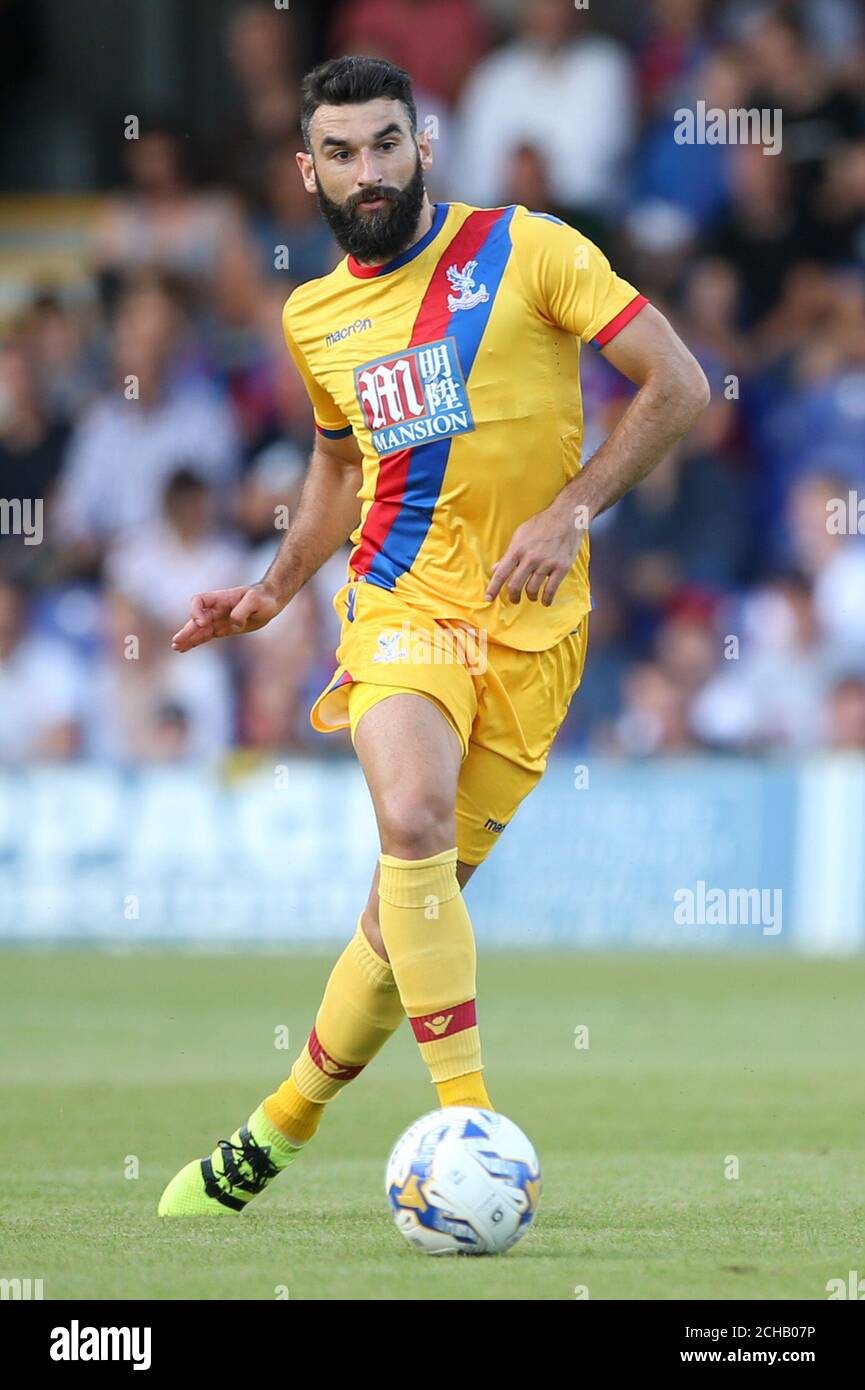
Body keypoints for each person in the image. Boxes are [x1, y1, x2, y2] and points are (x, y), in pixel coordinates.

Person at [157, 55, 709, 1216]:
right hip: (400, 608)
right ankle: (471, 1123)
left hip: (534, 635)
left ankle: (277, 1126)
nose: (369, 172)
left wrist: (571, 509)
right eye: (343, 153)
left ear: (425, 146)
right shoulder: (313, 319)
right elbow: (336, 465)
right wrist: (273, 587)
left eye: (387, 145)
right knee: (407, 815)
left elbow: (678, 383)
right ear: (308, 169)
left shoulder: (530, 249)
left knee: (396, 910)